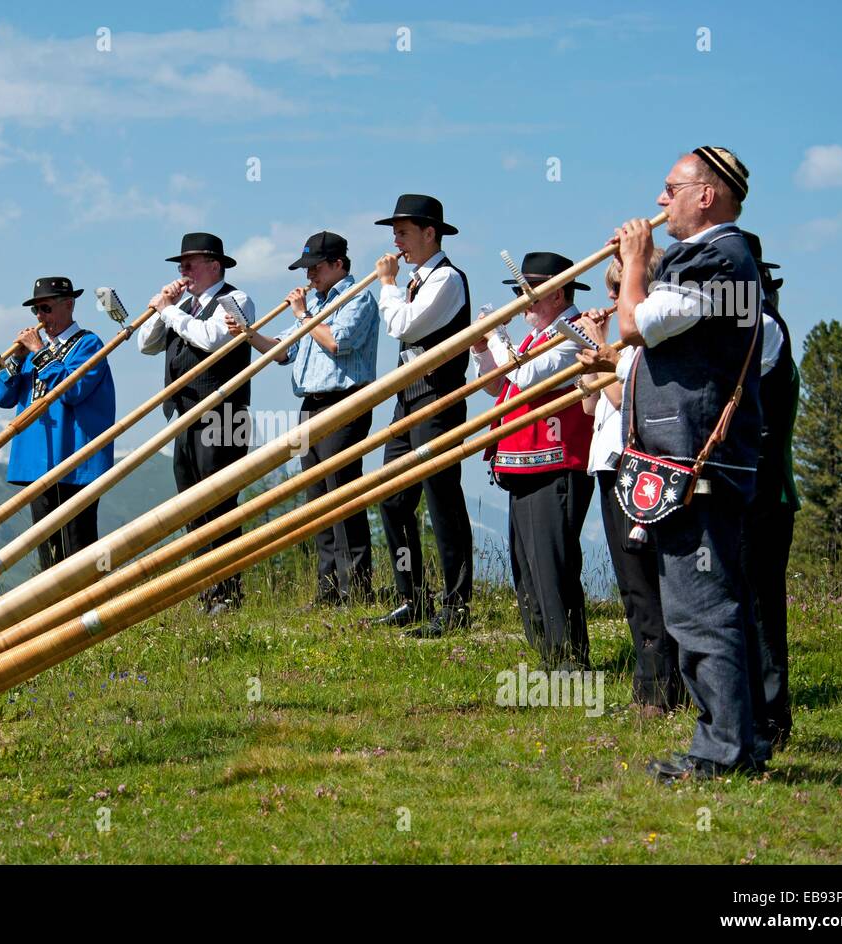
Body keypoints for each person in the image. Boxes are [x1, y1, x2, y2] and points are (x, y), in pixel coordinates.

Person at [588, 146, 768, 780]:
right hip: (691, 457)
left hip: (696, 461)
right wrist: (633, 266)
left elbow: (636, 325)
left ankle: (722, 751)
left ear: (706, 196)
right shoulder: (710, 257)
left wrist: (634, 263)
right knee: (717, 601)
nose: (660, 200)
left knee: (699, 608)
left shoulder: (720, 261)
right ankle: (742, 740)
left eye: (671, 188)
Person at [226, 231, 380, 605]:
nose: (309, 277)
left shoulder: (357, 298)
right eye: (307, 269)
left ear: (338, 265)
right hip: (310, 404)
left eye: (315, 268)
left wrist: (304, 315)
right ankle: (328, 590)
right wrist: (249, 334)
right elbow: (282, 353)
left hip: (345, 401)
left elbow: (336, 343)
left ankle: (356, 589)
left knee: (342, 492)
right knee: (317, 498)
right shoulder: (315, 305)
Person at [473, 252, 595, 669]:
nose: (523, 305)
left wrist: (495, 337)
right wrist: (480, 348)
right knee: (527, 572)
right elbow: (496, 388)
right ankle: (548, 656)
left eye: (530, 295)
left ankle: (571, 663)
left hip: (556, 466)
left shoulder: (574, 332)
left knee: (553, 570)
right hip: (522, 466)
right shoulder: (532, 338)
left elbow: (525, 379)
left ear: (558, 293)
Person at [580, 251, 686, 715]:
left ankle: (661, 690)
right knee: (629, 583)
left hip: (638, 464)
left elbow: (627, 399)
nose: (608, 298)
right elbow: (591, 408)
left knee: (646, 582)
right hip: (607, 461)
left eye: (617, 289)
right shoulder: (623, 346)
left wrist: (604, 350)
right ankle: (651, 684)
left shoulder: (649, 340)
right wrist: (590, 360)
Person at [369, 194, 475, 637]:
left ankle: (456, 605)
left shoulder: (447, 280)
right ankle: (412, 596)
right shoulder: (415, 280)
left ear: (430, 233)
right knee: (392, 497)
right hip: (406, 400)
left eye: (404, 233)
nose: (397, 242)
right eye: (395, 234)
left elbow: (404, 326)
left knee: (441, 499)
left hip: (438, 397)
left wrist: (387, 285)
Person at [138, 232, 255, 614]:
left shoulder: (236, 300)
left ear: (215, 266)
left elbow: (211, 340)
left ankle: (228, 590)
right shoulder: (182, 306)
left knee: (219, 501)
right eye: (180, 264)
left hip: (223, 415)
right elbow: (146, 345)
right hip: (185, 415)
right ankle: (205, 588)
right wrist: (163, 308)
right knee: (190, 503)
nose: (182, 269)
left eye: (190, 262)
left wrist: (171, 311)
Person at [0, 276, 116, 570]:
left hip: (74, 460)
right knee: (46, 546)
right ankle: (51, 611)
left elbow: (73, 390)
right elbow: (4, 397)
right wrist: (14, 360)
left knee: (78, 543)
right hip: (38, 461)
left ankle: (86, 605)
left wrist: (39, 353)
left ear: (69, 305)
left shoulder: (89, 343)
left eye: (46, 309)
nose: (40, 317)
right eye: (36, 311)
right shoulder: (34, 351)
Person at [740, 231, 800, 751]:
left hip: (763, 490)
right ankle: (746, 715)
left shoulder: (762, 326)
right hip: (742, 487)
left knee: (760, 607)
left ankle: (771, 721)